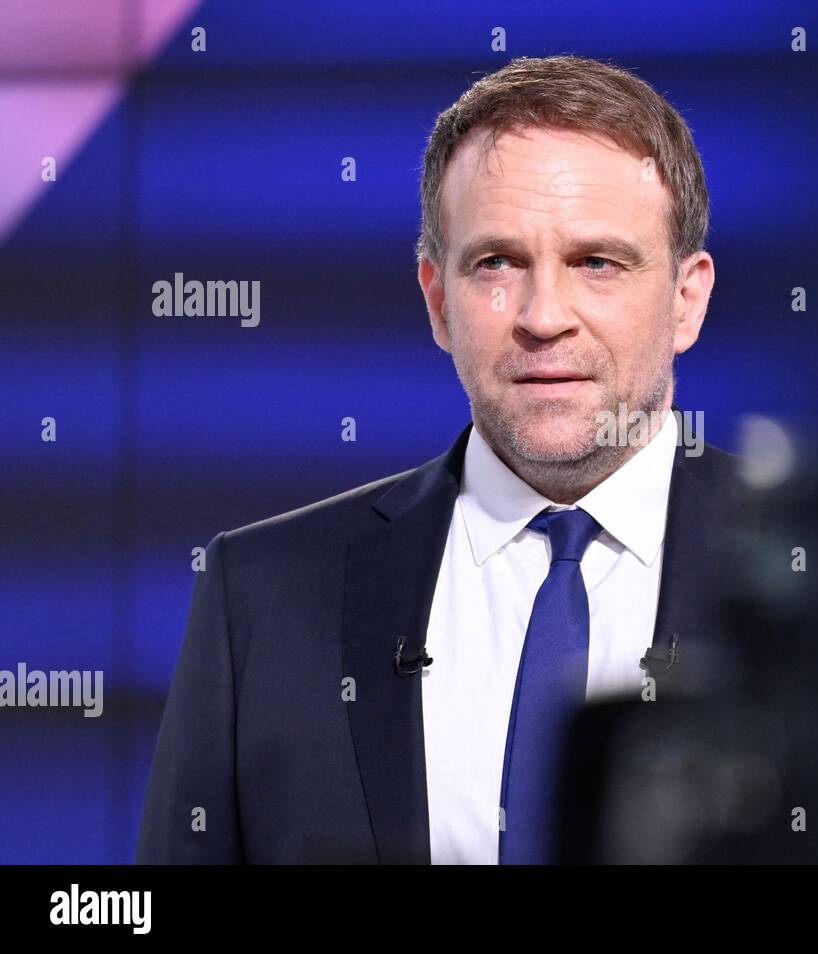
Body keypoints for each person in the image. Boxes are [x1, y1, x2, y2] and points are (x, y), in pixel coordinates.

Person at [136, 53, 738, 864]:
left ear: (686, 299)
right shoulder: (262, 596)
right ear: (436, 299)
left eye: (597, 262)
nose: (543, 316)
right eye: (497, 263)